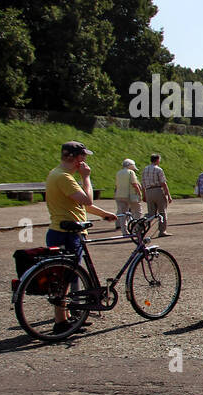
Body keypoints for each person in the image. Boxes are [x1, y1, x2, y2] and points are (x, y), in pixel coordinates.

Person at [46, 142, 117, 332]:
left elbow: (80, 205)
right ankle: (61, 322)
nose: (85, 160)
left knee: (67, 277)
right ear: (75, 158)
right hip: (67, 233)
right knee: (64, 278)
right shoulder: (64, 177)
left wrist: (104, 214)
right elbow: (88, 199)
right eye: (83, 156)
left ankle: (69, 317)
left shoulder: (59, 174)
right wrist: (86, 178)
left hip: (61, 230)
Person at [142, 153, 172, 237]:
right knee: (162, 211)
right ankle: (162, 231)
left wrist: (144, 195)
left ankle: (141, 225)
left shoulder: (145, 169)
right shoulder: (158, 169)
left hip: (148, 191)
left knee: (151, 213)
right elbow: (163, 183)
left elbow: (143, 183)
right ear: (157, 160)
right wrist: (168, 195)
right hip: (158, 190)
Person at [114, 159, 142, 230]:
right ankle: (136, 227)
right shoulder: (131, 172)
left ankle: (124, 231)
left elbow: (116, 185)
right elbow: (134, 184)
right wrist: (139, 193)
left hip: (119, 195)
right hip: (130, 195)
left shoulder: (118, 173)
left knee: (123, 214)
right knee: (137, 211)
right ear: (130, 166)